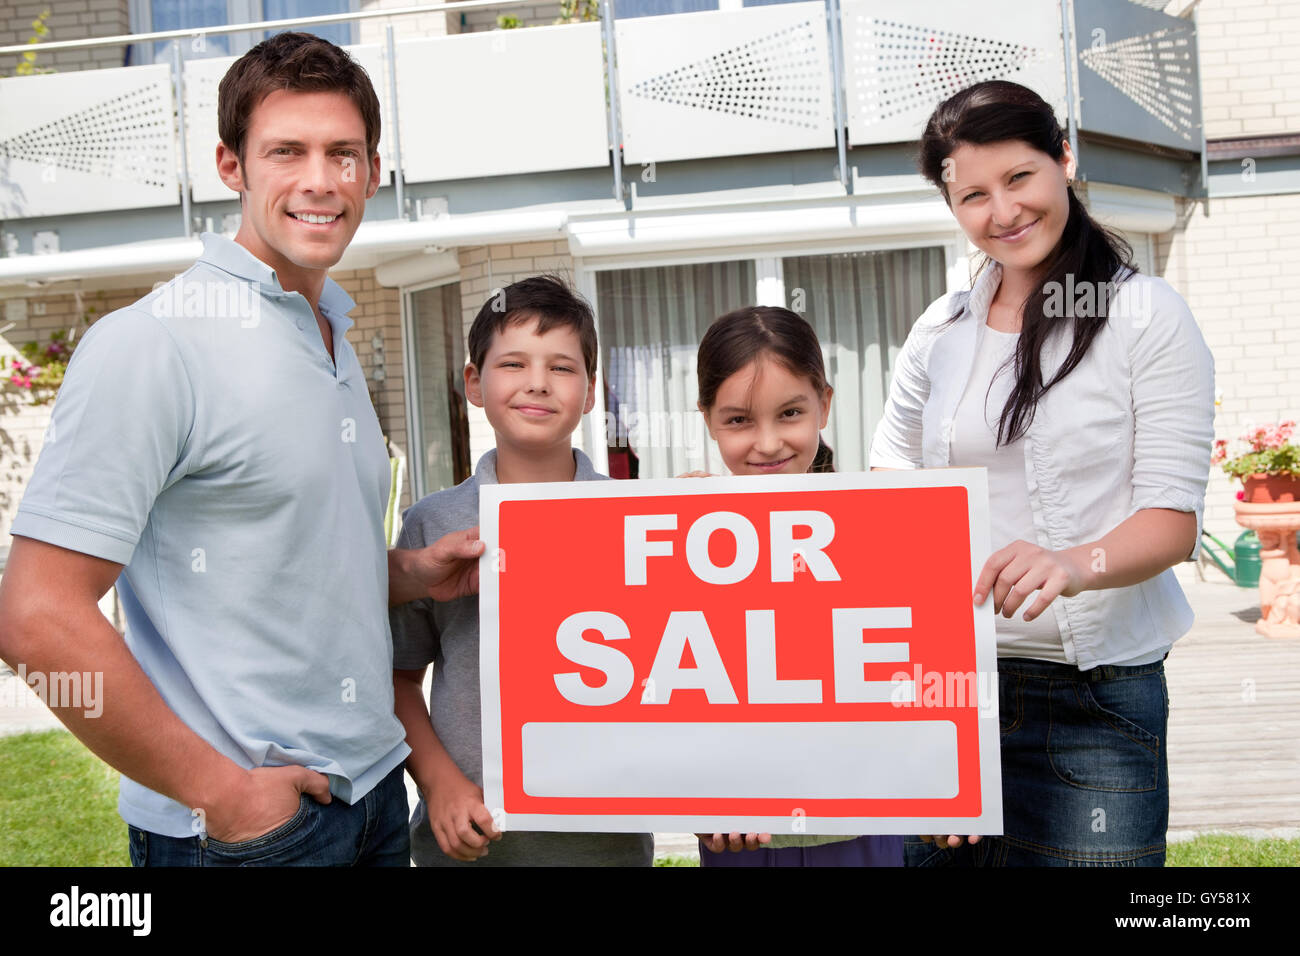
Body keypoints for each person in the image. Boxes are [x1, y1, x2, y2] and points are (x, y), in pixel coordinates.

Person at [0, 32, 482, 867]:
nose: (320, 180)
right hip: (254, 830)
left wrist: (404, 577)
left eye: (344, 153)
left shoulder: (330, 333)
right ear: (232, 167)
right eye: (286, 151)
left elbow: (274, 558)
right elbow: (37, 617)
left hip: (373, 798)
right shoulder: (154, 344)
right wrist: (224, 795)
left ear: (372, 170)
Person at [869, 80, 1215, 866]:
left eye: (1020, 177)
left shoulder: (1148, 316)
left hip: (1094, 701)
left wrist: (1071, 563)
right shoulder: (941, 328)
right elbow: (890, 483)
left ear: (1064, 156)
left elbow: (1172, 521)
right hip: (951, 692)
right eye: (972, 195)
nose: (1003, 212)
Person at [389, 275, 655, 866]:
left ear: (591, 391)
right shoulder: (432, 524)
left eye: (562, 367)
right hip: (468, 843)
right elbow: (398, 678)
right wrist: (440, 784)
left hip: (606, 850)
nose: (538, 382)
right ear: (474, 383)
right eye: (514, 363)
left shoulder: (641, 520)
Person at [689, 305, 904, 867]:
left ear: (824, 405)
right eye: (737, 420)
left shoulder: (877, 534)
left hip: (863, 827)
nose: (766, 443)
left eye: (789, 413)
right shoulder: (682, 542)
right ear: (706, 417)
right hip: (736, 830)